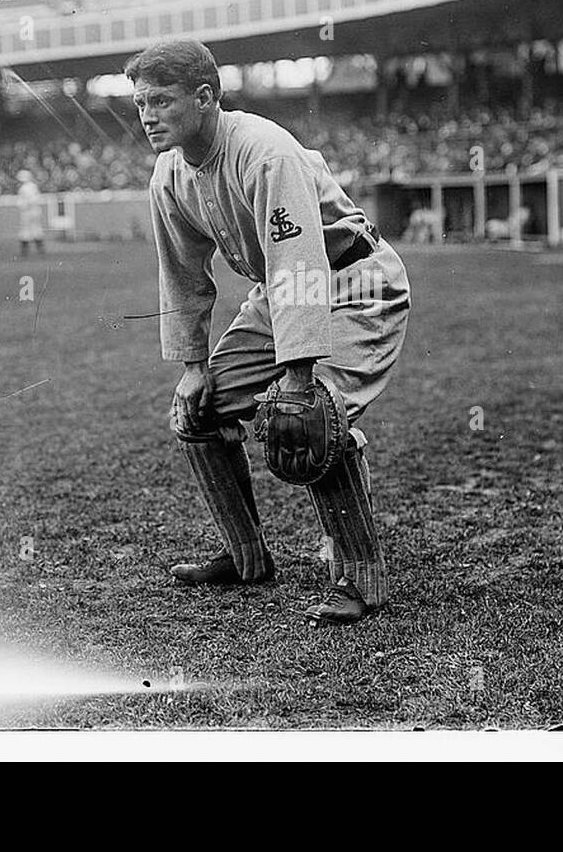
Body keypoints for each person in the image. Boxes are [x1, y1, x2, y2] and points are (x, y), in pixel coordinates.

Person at [133, 39, 410, 625]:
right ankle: (246, 556)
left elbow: (299, 263)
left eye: (161, 99)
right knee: (199, 411)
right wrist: (192, 367)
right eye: (140, 103)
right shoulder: (168, 175)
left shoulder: (264, 152)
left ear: (206, 98)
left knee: (308, 416)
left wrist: (299, 374)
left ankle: (362, 577)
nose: (148, 114)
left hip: (354, 283)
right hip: (280, 293)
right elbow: (182, 275)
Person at [16, 169, 45, 255]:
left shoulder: (24, 188)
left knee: (25, 230)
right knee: (37, 229)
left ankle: (25, 250)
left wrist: (24, 205)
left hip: (28, 211)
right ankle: (40, 249)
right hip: (35, 210)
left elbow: (25, 202)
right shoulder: (33, 186)